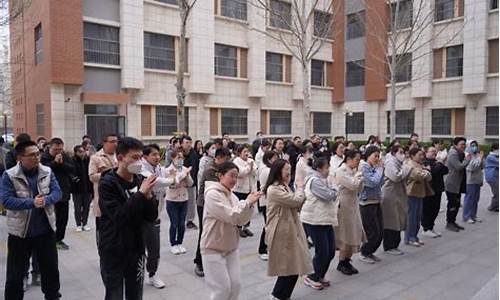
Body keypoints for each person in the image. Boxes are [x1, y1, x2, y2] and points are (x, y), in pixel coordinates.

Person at [98, 137, 158, 300]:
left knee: (136, 292)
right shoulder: (108, 183)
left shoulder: (140, 181)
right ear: (120, 158)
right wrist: (140, 195)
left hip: (136, 247)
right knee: (114, 292)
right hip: (113, 247)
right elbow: (119, 216)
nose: (139, 162)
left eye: (141, 157)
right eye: (134, 157)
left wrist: (149, 196)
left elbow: (152, 216)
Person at [1, 140, 62, 300]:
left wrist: (46, 200)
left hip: (45, 232)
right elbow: (6, 201)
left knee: (51, 272)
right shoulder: (9, 175)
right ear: (20, 157)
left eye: (38, 153)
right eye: (32, 155)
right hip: (20, 234)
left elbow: (57, 192)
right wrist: (32, 202)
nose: (37, 157)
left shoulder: (47, 171)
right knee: (15, 276)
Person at [200, 161, 259, 300]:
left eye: (236, 177)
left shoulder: (232, 195)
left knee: (236, 286)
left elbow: (242, 220)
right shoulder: (211, 194)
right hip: (212, 248)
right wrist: (247, 202)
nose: (234, 180)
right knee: (221, 290)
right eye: (231, 176)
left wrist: (249, 205)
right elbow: (232, 216)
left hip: (231, 247)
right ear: (220, 175)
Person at [265, 159, 311, 300]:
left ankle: (282, 295)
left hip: (290, 229)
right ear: (278, 170)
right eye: (286, 169)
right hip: (281, 232)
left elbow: (297, 204)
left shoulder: (283, 186)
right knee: (288, 267)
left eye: (290, 169)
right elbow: (296, 201)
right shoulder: (273, 189)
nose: (289, 172)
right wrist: (300, 187)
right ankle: (278, 296)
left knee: (293, 266)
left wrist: (298, 193)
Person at [141, 143, 176, 289]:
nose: (157, 157)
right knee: (138, 249)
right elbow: (156, 183)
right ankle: (135, 275)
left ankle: (152, 274)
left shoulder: (159, 168)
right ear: (145, 156)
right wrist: (173, 179)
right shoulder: (142, 169)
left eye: (157, 154)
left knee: (154, 249)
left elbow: (165, 180)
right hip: (140, 216)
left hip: (155, 215)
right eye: (153, 154)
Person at [300, 157, 338, 290]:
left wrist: (333, 190)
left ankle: (320, 274)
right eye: (327, 167)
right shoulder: (314, 181)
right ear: (319, 168)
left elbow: (332, 193)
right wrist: (334, 190)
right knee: (322, 252)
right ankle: (312, 276)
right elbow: (329, 195)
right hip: (314, 221)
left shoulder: (323, 180)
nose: (329, 170)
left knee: (331, 251)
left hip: (325, 219)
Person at [194, 147, 232, 277]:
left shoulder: (220, 169)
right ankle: (198, 262)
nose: (227, 162)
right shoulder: (211, 170)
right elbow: (220, 187)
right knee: (205, 232)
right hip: (204, 205)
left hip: (215, 205)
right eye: (226, 160)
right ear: (219, 158)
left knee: (214, 232)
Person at [41, 138, 75, 251]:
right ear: (50, 147)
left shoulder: (65, 156)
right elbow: (44, 170)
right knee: (48, 217)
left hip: (63, 191)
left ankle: (59, 239)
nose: (58, 151)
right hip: (48, 192)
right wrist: (55, 162)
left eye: (60, 149)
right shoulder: (43, 157)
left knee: (62, 218)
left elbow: (72, 168)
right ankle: (48, 239)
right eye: (55, 149)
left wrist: (61, 163)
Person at [335, 149, 365, 275]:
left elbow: (359, 188)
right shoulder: (341, 171)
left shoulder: (353, 171)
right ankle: (342, 262)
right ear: (349, 159)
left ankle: (347, 260)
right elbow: (353, 185)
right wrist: (358, 177)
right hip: (344, 206)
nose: (358, 162)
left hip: (353, 204)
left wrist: (358, 178)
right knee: (346, 234)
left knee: (355, 232)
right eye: (356, 160)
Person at [381, 145, 411, 255]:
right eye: (400, 152)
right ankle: (389, 246)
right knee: (391, 221)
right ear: (394, 153)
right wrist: (405, 168)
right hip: (390, 195)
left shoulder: (399, 162)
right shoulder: (390, 162)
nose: (403, 155)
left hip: (398, 194)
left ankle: (395, 245)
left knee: (398, 220)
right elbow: (395, 176)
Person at [89, 133, 118, 245]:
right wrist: (108, 175)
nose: (115, 144)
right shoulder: (96, 158)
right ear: (104, 143)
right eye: (112, 142)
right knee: (102, 233)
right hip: (102, 200)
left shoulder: (120, 156)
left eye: (116, 141)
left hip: (118, 200)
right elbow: (92, 177)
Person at [359, 146, 385, 264]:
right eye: (375, 156)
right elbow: (372, 182)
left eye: (378, 156)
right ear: (368, 155)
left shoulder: (374, 167)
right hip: (366, 203)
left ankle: (370, 251)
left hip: (376, 201)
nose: (377, 158)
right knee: (372, 231)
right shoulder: (363, 167)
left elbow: (381, 181)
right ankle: (365, 252)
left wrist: (379, 170)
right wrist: (379, 169)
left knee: (380, 230)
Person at [164, 150, 193, 255]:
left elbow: (190, 183)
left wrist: (187, 175)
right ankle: (173, 244)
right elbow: (171, 184)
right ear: (173, 158)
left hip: (184, 199)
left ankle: (180, 243)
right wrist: (181, 176)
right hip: (172, 200)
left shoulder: (185, 169)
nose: (180, 160)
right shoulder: (168, 170)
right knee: (174, 223)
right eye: (178, 158)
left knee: (182, 224)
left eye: (182, 158)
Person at [404, 148, 433, 247]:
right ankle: (409, 237)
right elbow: (418, 175)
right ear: (412, 156)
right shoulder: (409, 164)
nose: (422, 157)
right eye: (419, 155)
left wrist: (426, 172)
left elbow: (428, 176)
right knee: (411, 217)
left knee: (418, 216)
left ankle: (415, 236)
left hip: (420, 193)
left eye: (422, 154)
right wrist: (426, 171)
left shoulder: (419, 165)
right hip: (411, 194)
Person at [444, 137, 471, 232]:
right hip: (452, 183)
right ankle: (449, 223)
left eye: (464, 144)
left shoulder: (460, 153)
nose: (464, 146)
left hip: (458, 183)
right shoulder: (452, 154)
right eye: (461, 144)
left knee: (457, 203)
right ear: (455, 145)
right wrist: (467, 160)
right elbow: (458, 167)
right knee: (452, 204)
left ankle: (453, 221)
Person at [422, 147, 449, 238]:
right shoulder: (424, 162)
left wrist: (439, 163)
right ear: (426, 153)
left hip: (438, 189)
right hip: (428, 190)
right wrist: (438, 165)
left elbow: (446, 170)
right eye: (432, 151)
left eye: (435, 151)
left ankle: (431, 227)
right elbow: (433, 171)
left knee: (435, 209)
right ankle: (426, 228)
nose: (434, 153)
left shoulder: (437, 162)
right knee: (428, 210)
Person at [232, 144, 257, 237]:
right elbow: (240, 173)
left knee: (249, 209)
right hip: (239, 189)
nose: (246, 153)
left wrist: (252, 168)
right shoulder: (236, 161)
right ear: (239, 153)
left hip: (250, 188)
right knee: (241, 209)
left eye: (247, 151)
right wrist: (248, 168)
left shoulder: (251, 160)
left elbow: (255, 172)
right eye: (244, 152)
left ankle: (246, 227)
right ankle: (238, 228)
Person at [257, 150, 278, 261]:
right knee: (268, 225)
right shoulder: (266, 170)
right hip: (267, 201)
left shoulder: (270, 169)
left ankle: (270, 247)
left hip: (271, 200)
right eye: (274, 158)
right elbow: (268, 185)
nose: (276, 159)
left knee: (270, 225)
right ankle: (262, 249)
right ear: (269, 159)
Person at [71, 145, 93, 232]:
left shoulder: (88, 160)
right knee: (77, 207)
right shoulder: (72, 161)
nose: (82, 153)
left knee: (86, 207)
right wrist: (74, 179)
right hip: (77, 189)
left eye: (83, 151)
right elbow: (70, 173)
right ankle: (78, 224)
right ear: (76, 152)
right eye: (80, 152)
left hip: (87, 187)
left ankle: (85, 223)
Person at [463, 140, 485, 224]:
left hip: (477, 180)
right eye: (472, 145)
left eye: (475, 145)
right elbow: (471, 167)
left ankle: (473, 215)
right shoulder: (467, 155)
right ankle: (466, 216)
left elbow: (483, 166)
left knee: (476, 199)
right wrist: (480, 158)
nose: (474, 147)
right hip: (470, 180)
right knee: (469, 199)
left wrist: (481, 159)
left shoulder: (477, 155)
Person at [180, 135, 200, 230]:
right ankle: (180, 219)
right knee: (181, 202)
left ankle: (190, 221)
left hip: (192, 183)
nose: (189, 145)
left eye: (190, 143)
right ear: (181, 144)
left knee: (191, 203)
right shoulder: (178, 154)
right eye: (186, 143)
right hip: (180, 184)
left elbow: (197, 168)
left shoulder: (194, 153)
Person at [485, 143, 499, 212]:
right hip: (492, 177)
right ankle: (492, 207)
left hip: (496, 176)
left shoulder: (496, 156)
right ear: (494, 149)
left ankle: (496, 206)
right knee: (497, 192)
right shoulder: (490, 157)